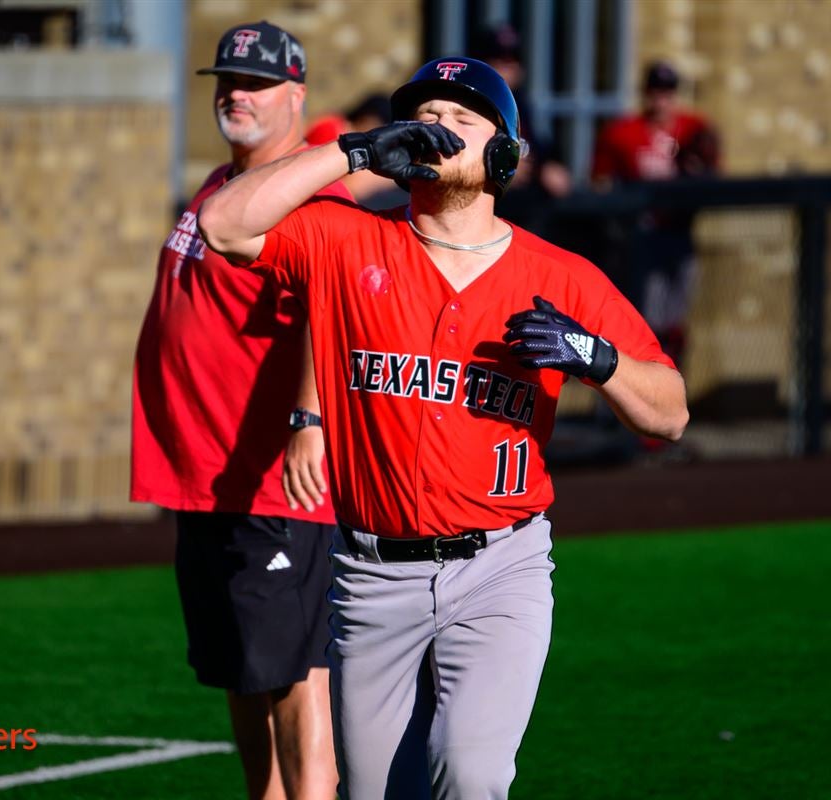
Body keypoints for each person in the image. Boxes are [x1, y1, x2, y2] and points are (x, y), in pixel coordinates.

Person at [199, 56, 688, 798]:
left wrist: (598, 357)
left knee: (471, 773)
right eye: (423, 118)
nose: (437, 129)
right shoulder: (345, 239)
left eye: (461, 119)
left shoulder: (560, 275)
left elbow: (671, 411)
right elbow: (222, 224)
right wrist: (355, 152)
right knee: (372, 789)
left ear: (503, 154)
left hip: (502, 566)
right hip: (369, 575)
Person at [130, 20, 347, 800]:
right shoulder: (223, 184)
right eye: (227, 80)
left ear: (297, 95)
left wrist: (309, 422)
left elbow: (335, 311)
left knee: (296, 676)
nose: (235, 95)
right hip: (207, 474)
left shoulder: (307, 193)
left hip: (273, 483)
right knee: (241, 670)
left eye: (254, 83)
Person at [592, 60, 721, 364]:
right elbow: (599, 181)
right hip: (640, 236)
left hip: (680, 232)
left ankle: (674, 381)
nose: (661, 99)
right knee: (646, 320)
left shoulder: (693, 128)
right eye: (655, 91)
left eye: (668, 91)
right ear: (645, 93)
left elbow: (715, 174)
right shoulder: (624, 132)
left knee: (675, 321)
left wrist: (699, 172)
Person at [471, 23, 572, 234]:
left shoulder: (519, 103)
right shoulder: (471, 105)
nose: (508, 70)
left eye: (513, 61)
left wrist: (547, 166)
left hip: (524, 206)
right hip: (484, 206)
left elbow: (537, 147)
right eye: (498, 61)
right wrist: (497, 169)